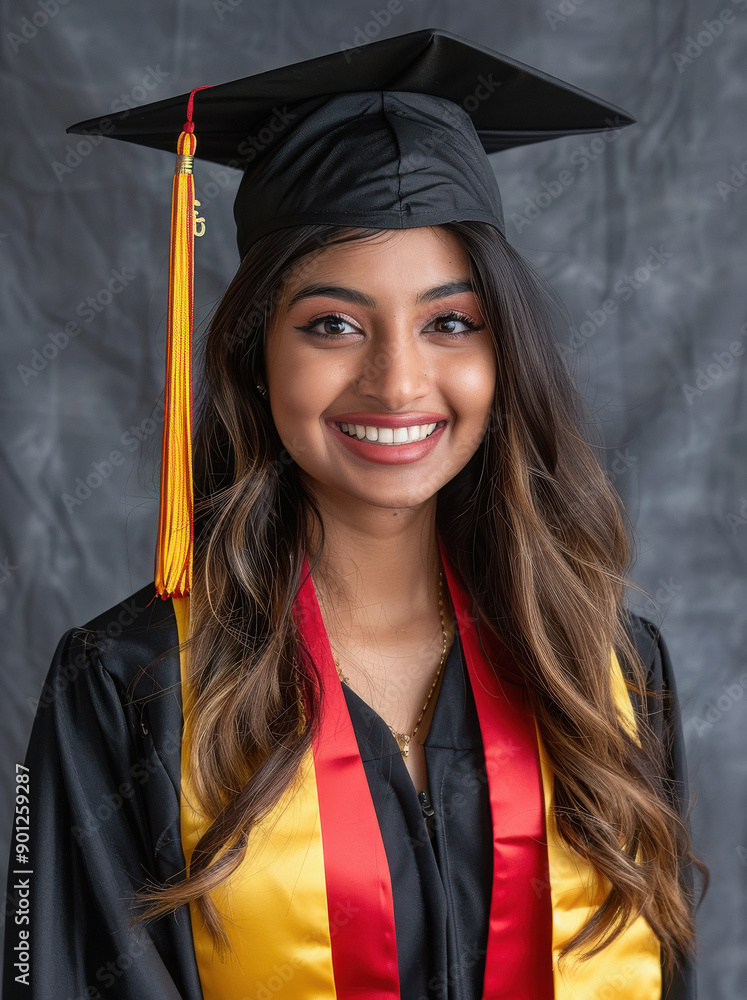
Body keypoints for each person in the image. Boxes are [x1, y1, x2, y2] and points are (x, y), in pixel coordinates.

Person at [2, 27, 707, 1000]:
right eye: (333, 324)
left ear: (505, 355)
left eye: (450, 321)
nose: (399, 379)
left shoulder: (609, 671)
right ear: (257, 355)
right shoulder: (129, 689)